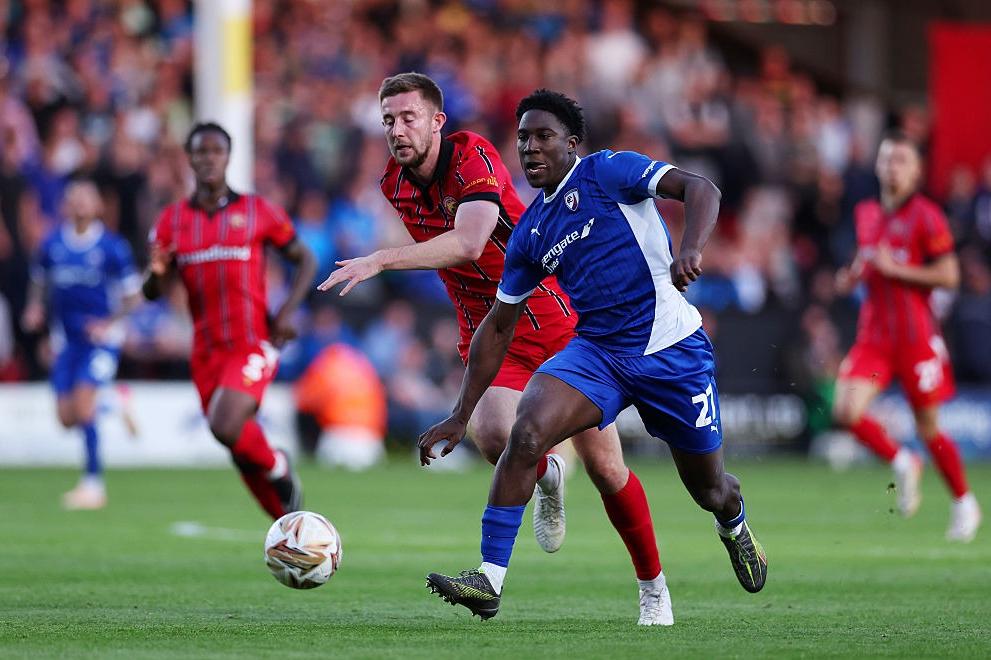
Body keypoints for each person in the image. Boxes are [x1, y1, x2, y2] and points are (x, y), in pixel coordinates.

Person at [318, 73, 670, 625]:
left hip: (552, 318)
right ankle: (549, 473)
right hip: (488, 329)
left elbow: (471, 241)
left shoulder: (472, 155)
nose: (397, 130)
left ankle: (653, 588)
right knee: (493, 436)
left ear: (438, 121)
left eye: (409, 118)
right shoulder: (394, 183)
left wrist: (381, 259)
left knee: (607, 470)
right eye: (388, 120)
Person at [418, 89, 767, 622]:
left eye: (543, 137)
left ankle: (734, 522)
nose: (530, 148)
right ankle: (489, 581)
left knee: (709, 489)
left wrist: (693, 248)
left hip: (671, 349)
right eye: (523, 139)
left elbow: (701, 188)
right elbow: (498, 329)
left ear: (572, 144)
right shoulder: (531, 231)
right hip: (599, 354)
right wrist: (460, 416)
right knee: (527, 433)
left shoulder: (610, 171)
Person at [143, 122, 316, 520]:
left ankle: (278, 465)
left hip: (252, 342)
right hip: (205, 351)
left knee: (225, 424)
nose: (207, 158)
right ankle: (286, 527)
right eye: (199, 152)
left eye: (215, 151)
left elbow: (304, 258)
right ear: (189, 159)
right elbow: (153, 290)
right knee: (236, 445)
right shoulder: (171, 222)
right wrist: (155, 273)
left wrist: (286, 313)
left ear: (227, 156)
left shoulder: (257, 211)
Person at [833, 132, 981, 542]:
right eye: (887, 159)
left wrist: (898, 270)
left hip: (916, 339)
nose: (893, 167)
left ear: (916, 171)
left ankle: (963, 501)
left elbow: (950, 275)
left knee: (929, 428)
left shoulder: (927, 216)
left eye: (901, 160)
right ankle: (902, 460)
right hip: (875, 336)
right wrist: (851, 277)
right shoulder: (866, 212)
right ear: (878, 166)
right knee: (845, 410)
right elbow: (866, 262)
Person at [22, 180, 142, 509]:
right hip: (66, 340)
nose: (79, 205)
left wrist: (109, 323)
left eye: (86, 200)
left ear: (98, 206)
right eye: (73, 200)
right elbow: (39, 282)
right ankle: (115, 403)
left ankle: (93, 483)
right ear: (65, 206)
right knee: (66, 417)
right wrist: (35, 309)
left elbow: (133, 297)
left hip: (100, 341)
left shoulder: (112, 247)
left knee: (84, 406)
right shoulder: (52, 244)